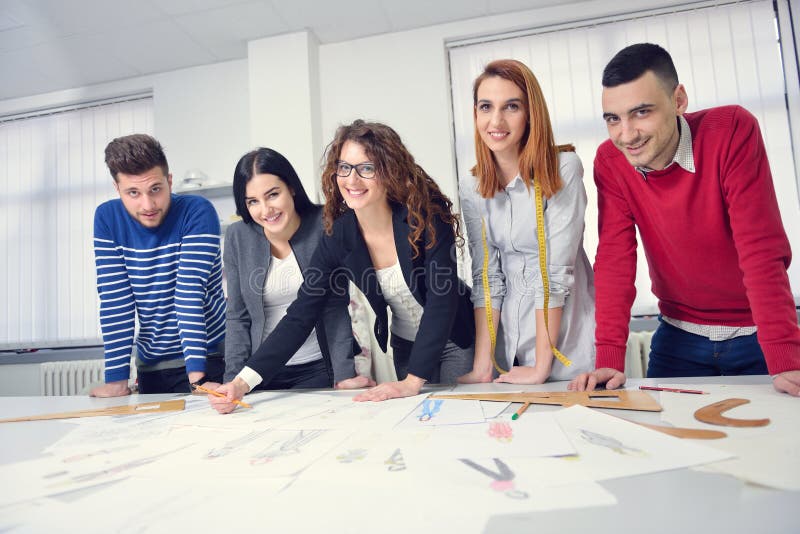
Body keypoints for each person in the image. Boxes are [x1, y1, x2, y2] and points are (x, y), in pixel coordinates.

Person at [569, 43, 800, 396]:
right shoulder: (611, 162)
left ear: (678, 100)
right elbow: (615, 258)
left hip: (757, 336)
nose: (626, 134)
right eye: (613, 119)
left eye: (641, 112)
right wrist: (609, 358)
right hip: (679, 339)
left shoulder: (732, 131)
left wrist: (784, 353)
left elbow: (759, 249)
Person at [209, 120, 475, 412]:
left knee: (455, 415)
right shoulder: (338, 235)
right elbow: (301, 314)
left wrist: (412, 381)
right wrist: (242, 382)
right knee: (419, 423)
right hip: (405, 344)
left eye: (367, 168)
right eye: (344, 167)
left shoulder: (424, 217)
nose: (352, 180)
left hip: (454, 338)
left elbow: (442, 299)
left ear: (389, 170)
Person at [458, 59, 595, 385]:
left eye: (511, 107)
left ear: (531, 113)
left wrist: (541, 367)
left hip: (568, 354)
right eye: (486, 106)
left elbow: (555, 273)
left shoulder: (563, 169)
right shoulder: (473, 187)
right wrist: (482, 366)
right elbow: (486, 280)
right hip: (510, 357)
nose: (496, 120)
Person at [91, 134, 226, 396]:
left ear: (170, 181)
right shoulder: (107, 218)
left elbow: (189, 291)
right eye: (133, 193)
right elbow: (116, 300)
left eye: (155, 189)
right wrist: (117, 381)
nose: (148, 204)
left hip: (210, 359)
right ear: (117, 189)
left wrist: (197, 379)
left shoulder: (197, 211)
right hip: (153, 366)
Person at [223, 147, 369, 390]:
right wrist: (233, 381)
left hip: (319, 367)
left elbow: (334, 308)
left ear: (291, 187)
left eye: (272, 195)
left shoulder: (325, 224)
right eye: (253, 202)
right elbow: (237, 316)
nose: (266, 210)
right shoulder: (238, 236)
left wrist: (343, 375)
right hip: (261, 371)